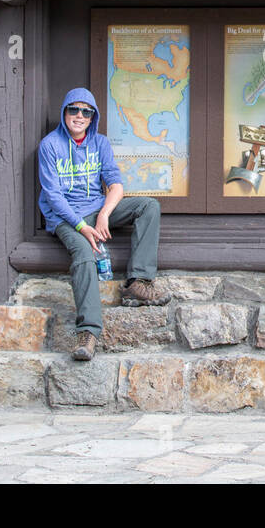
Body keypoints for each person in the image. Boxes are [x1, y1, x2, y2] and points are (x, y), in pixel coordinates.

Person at [37, 86, 169, 361]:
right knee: (84, 254)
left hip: (95, 208)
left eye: (86, 111)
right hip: (64, 216)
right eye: (74, 109)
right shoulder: (50, 145)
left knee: (148, 206)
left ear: (92, 117)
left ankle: (138, 281)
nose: (79, 116)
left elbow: (116, 184)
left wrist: (104, 214)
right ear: (65, 112)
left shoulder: (100, 143)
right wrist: (82, 227)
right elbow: (53, 196)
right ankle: (88, 332)